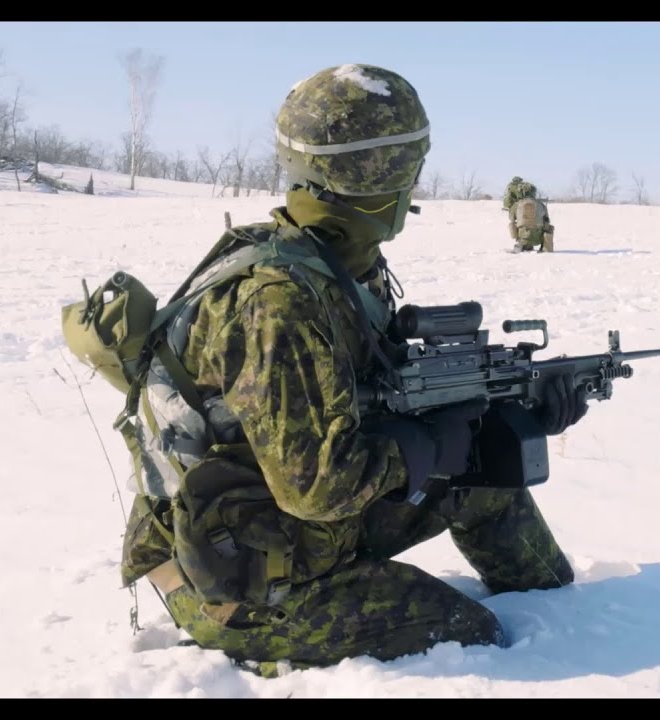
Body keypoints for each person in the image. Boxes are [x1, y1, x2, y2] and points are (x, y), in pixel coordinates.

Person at [109, 64, 585, 676]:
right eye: (409, 169)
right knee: (471, 632)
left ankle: (569, 613)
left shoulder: (334, 262)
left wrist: (506, 412)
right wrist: (428, 447)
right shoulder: (278, 300)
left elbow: (369, 396)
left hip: (278, 525)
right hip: (234, 574)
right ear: (380, 175)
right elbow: (317, 487)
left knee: (486, 483)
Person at [508, 183, 555, 253]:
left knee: (512, 223)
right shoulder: (541, 205)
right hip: (538, 239)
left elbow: (511, 217)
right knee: (548, 225)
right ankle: (546, 247)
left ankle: (522, 244)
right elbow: (547, 220)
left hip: (523, 238)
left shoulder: (516, 205)